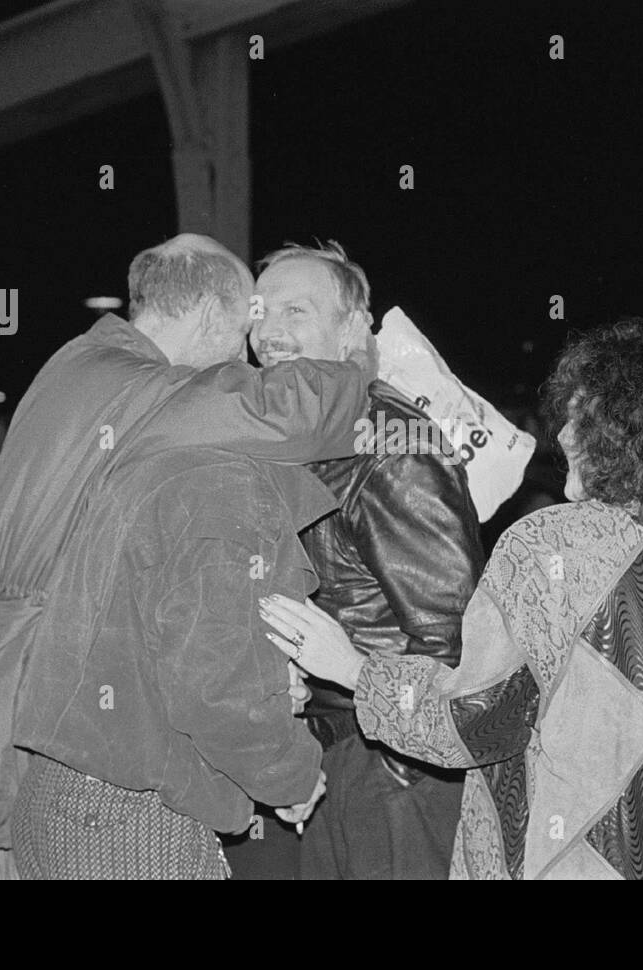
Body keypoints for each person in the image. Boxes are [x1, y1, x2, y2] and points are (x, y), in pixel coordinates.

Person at [0, 233, 374, 879]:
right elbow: (294, 412)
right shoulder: (152, 393)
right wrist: (357, 358)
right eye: (253, 315)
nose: (256, 341)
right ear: (217, 316)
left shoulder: (72, 366)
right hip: (80, 731)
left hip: (26, 716)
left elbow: (29, 519)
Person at [262, 319, 643, 879]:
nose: (562, 433)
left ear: (612, 433)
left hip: (573, 854)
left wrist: (353, 668)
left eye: (577, 417)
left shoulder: (552, 543)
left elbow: (473, 724)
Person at [250, 242, 483, 879]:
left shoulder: (388, 447)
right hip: (335, 756)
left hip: (392, 772)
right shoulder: (299, 434)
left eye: (296, 311)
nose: (271, 331)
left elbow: (456, 640)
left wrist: (392, 775)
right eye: (260, 311)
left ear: (353, 328)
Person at [10, 444, 332, 879]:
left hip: (64, 796)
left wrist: (270, 677)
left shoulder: (155, 466)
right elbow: (217, 690)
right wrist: (293, 776)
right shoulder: (229, 489)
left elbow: (154, 647)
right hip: (127, 823)